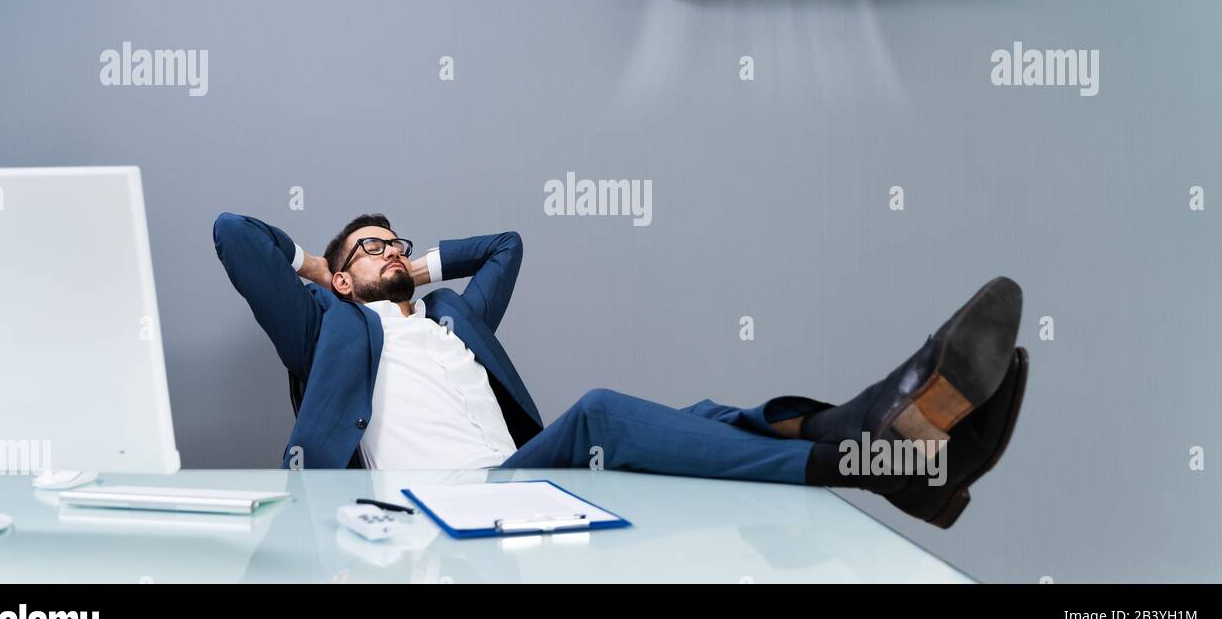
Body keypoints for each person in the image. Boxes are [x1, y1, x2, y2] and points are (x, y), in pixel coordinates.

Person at [213, 211, 1027, 528]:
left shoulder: (452, 318)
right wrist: (323, 267)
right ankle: (881, 459)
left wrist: (412, 272)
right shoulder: (329, 327)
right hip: (436, 509)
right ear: (343, 275)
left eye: (396, 240)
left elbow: (506, 245)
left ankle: (897, 449)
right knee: (600, 413)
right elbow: (233, 235)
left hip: (512, 477)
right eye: (373, 247)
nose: (390, 250)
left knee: (706, 411)